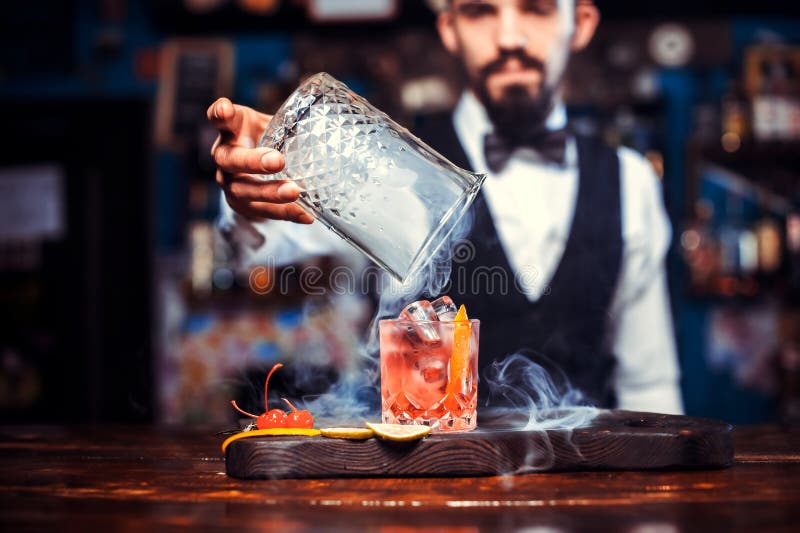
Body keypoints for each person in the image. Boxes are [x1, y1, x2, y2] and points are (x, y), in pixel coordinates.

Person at [207, 0, 684, 414]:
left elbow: (649, 383)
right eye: (480, 11)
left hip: (590, 493)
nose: (509, 37)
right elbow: (262, 248)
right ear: (449, 28)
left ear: (578, 24)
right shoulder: (385, 163)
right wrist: (251, 190)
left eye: (536, 9)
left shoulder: (631, 179)